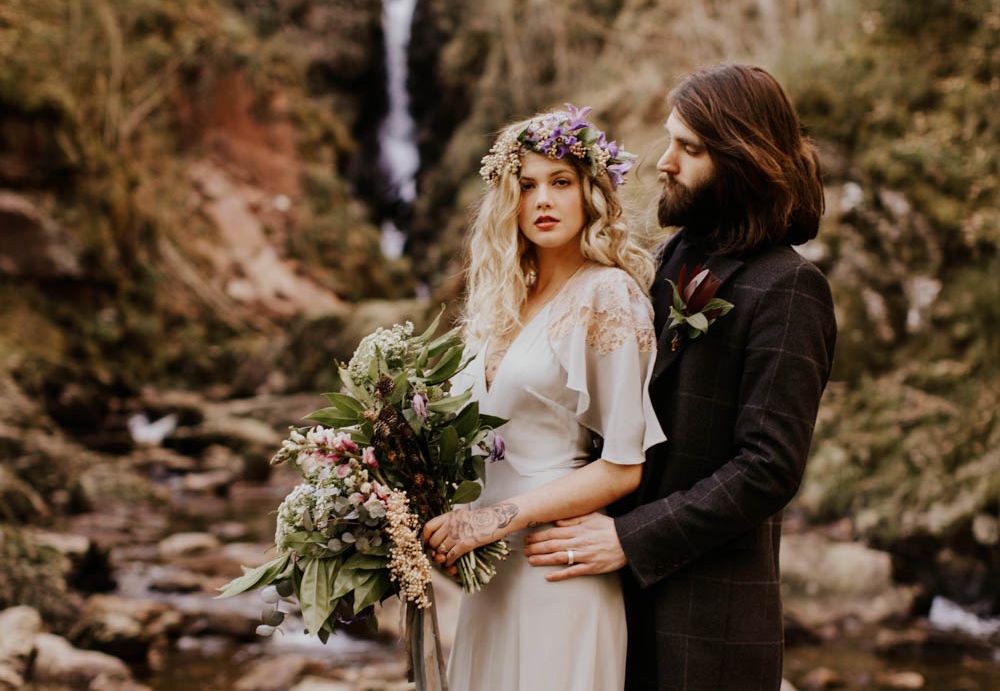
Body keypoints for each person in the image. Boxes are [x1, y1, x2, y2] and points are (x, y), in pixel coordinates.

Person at [523, 64, 838, 690]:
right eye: (671, 141)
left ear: (743, 160)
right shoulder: (676, 256)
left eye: (688, 148)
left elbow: (768, 467)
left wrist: (630, 539)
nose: (663, 161)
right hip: (616, 605)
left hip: (709, 624)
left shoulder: (791, 287)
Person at [422, 104, 666, 691]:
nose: (542, 201)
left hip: (557, 569)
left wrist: (495, 519)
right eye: (526, 185)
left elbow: (623, 467)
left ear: (591, 193)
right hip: (489, 576)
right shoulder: (500, 303)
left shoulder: (607, 295)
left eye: (561, 183)